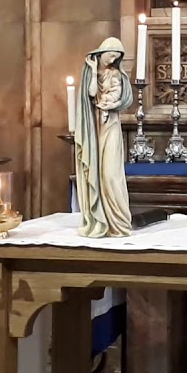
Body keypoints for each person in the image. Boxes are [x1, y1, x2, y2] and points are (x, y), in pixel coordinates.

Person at [73, 37, 133, 237]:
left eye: (117, 56)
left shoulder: (116, 74)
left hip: (111, 124)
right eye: (111, 55)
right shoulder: (93, 73)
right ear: (102, 53)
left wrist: (111, 105)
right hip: (95, 126)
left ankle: (119, 221)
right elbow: (91, 93)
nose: (113, 59)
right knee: (97, 172)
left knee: (110, 173)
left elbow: (120, 96)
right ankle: (101, 220)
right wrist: (91, 70)